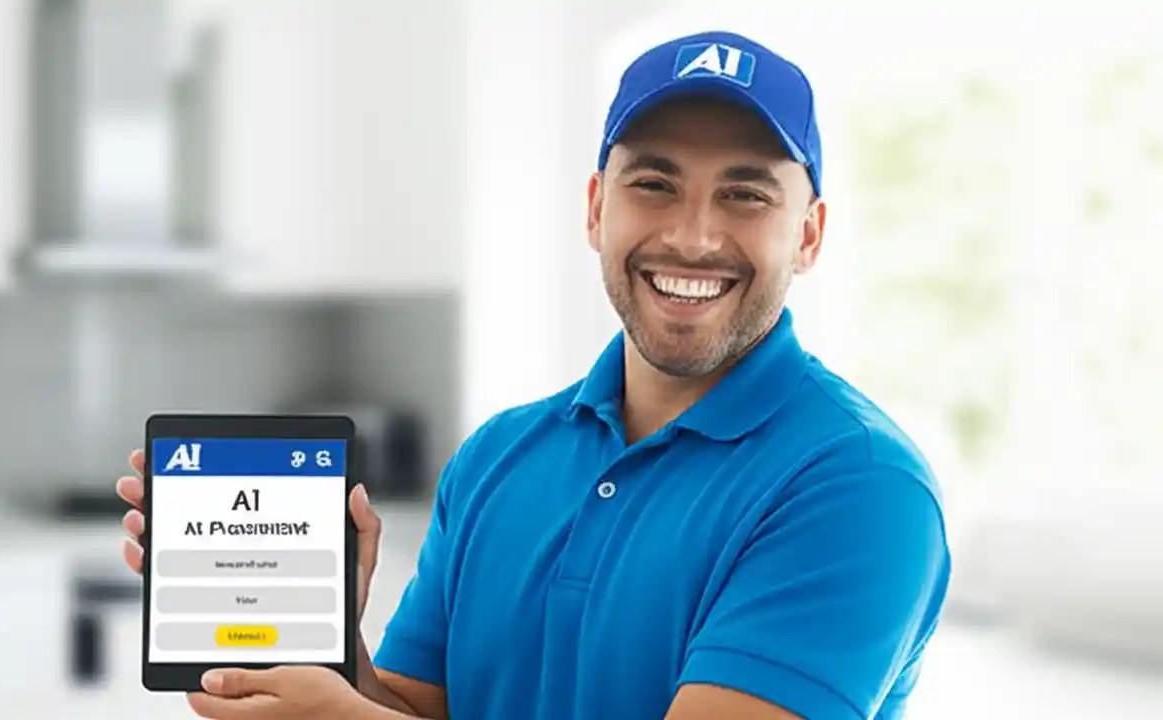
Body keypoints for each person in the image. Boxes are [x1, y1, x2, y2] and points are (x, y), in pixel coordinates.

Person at [116, 29, 950, 720]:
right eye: (654, 183)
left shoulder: (859, 487)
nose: (693, 237)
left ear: (809, 236)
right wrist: (337, 661)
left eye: (746, 195)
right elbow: (413, 710)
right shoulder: (497, 459)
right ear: (596, 208)